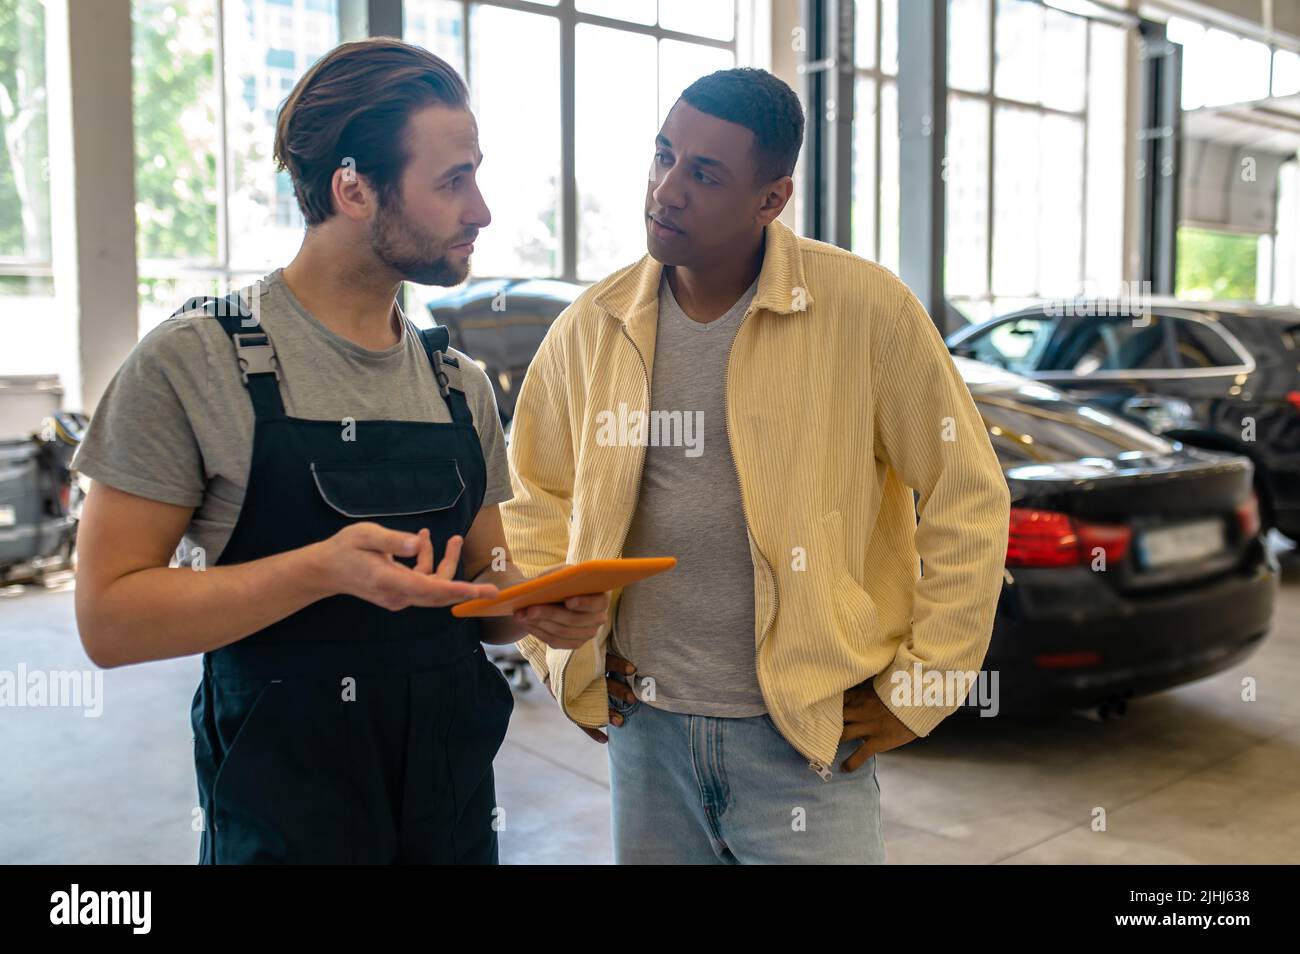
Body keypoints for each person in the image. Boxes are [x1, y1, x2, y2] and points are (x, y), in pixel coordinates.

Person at [72, 38, 608, 864]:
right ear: (353, 187)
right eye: (453, 180)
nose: (483, 211)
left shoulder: (455, 381)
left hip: (453, 817)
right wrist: (320, 570)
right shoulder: (198, 360)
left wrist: (539, 606)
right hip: (285, 826)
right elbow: (109, 621)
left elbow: (488, 590)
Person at [502, 68, 1010, 864]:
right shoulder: (593, 326)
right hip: (647, 734)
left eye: (704, 174)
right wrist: (565, 654)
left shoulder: (863, 309)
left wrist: (924, 685)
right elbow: (535, 491)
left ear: (771, 200)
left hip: (806, 738)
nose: (666, 190)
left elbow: (967, 495)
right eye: (663, 156)